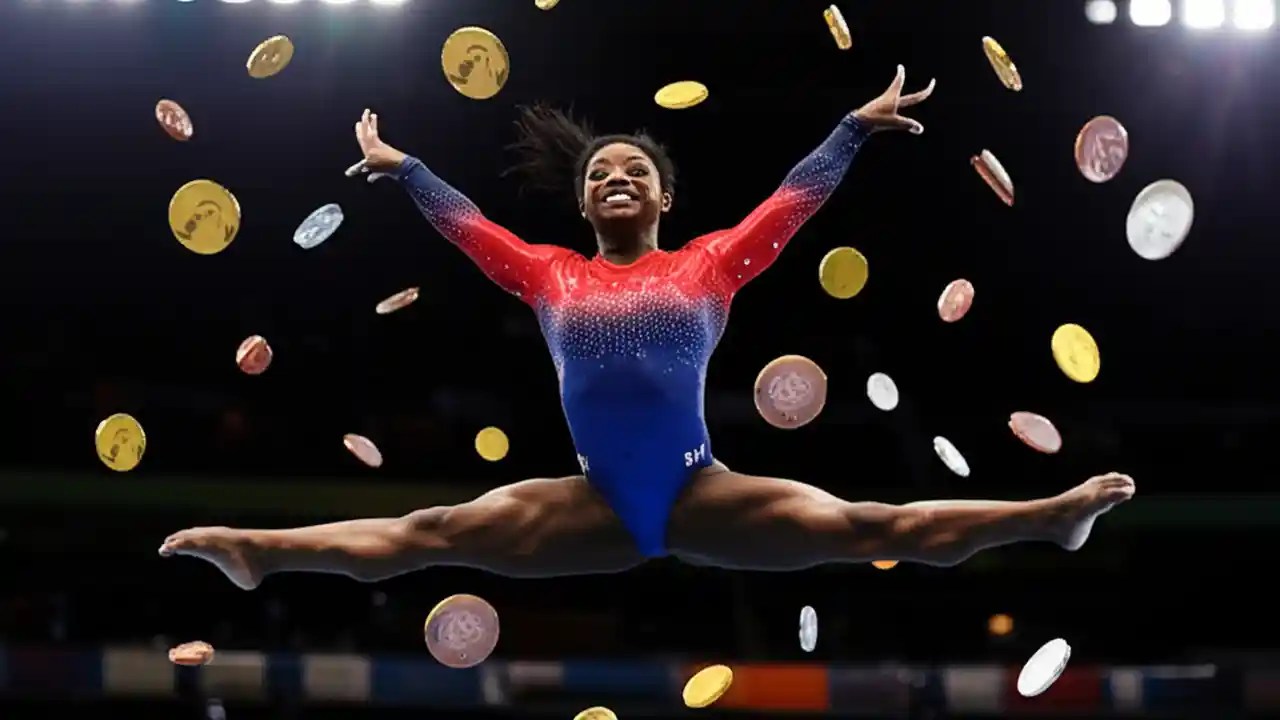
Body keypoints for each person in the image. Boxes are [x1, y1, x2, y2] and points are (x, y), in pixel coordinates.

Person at [160, 67, 1135, 589]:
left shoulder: (710, 263)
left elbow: (787, 208)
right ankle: (258, 550)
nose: (612, 176)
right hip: (589, 501)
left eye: (631, 169)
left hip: (698, 489)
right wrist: (404, 167)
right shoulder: (547, 274)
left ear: (663, 195)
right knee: (429, 532)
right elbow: (472, 231)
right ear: (584, 206)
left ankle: (1051, 519)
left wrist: (849, 127)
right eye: (596, 174)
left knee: (864, 526)